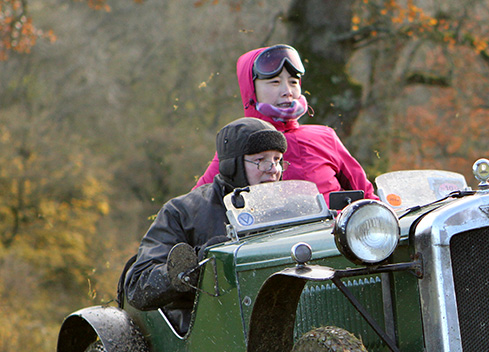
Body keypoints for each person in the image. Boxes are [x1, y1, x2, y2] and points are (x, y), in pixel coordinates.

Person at [124, 117, 287, 325]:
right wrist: (195, 264)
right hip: (210, 330)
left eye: (277, 159)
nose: (273, 169)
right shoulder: (183, 212)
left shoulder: (291, 210)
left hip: (278, 318)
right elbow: (137, 286)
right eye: (261, 160)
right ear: (232, 165)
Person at [192, 44, 378, 202]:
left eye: (293, 82)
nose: (287, 91)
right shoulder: (236, 143)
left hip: (332, 240)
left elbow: (368, 198)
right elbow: (194, 209)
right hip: (270, 242)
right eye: (274, 82)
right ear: (251, 90)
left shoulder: (325, 137)